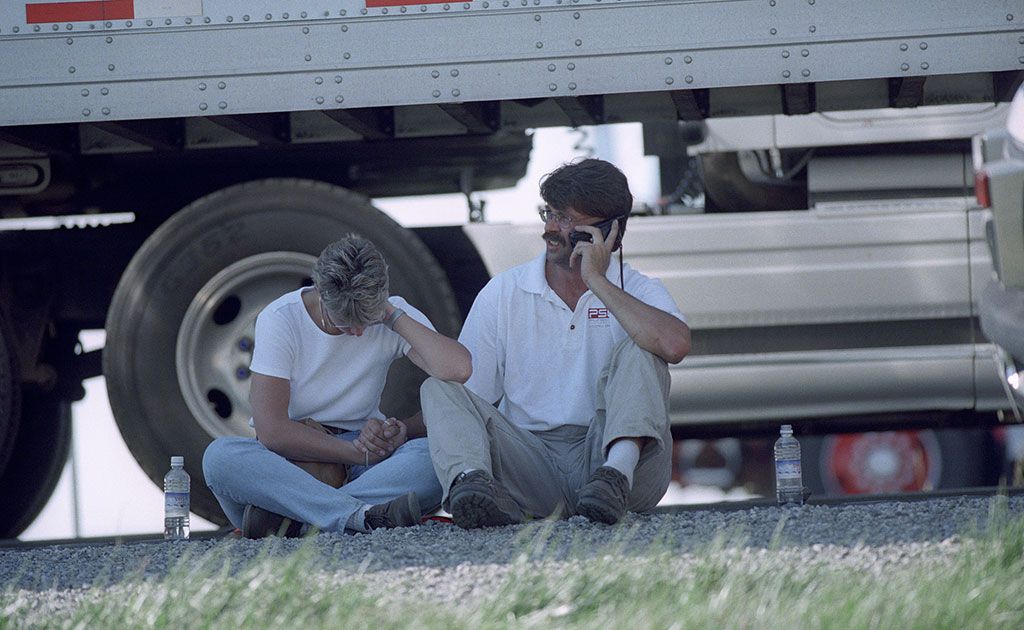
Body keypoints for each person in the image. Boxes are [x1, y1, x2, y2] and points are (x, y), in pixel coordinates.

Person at [421, 158, 691, 528]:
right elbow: (468, 396)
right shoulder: (505, 290)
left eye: (565, 219)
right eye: (548, 213)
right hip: (532, 462)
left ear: (609, 233)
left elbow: (675, 345)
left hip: (614, 460)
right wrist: (400, 430)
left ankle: (614, 479)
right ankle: (472, 489)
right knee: (438, 386)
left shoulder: (638, 289)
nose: (550, 228)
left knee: (644, 346)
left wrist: (597, 280)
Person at [203, 235, 472, 537]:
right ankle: (360, 517)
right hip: (293, 460)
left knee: (433, 456)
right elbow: (272, 431)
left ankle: (298, 522)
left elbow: (457, 370)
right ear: (320, 292)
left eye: (366, 321)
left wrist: (392, 316)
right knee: (220, 457)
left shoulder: (390, 313)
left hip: (358, 462)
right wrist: (356, 453)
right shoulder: (281, 319)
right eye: (344, 323)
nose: (357, 332)